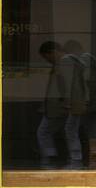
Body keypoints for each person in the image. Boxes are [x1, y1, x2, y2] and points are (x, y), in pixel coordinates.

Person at [36, 40, 84, 170]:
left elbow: (66, 85)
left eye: (47, 57)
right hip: (67, 104)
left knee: (50, 132)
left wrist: (67, 102)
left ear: (52, 52)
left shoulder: (65, 62)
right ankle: (68, 160)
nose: (48, 61)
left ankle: (54, 160)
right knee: (68, 131)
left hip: (62, 105)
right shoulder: (71, 62)